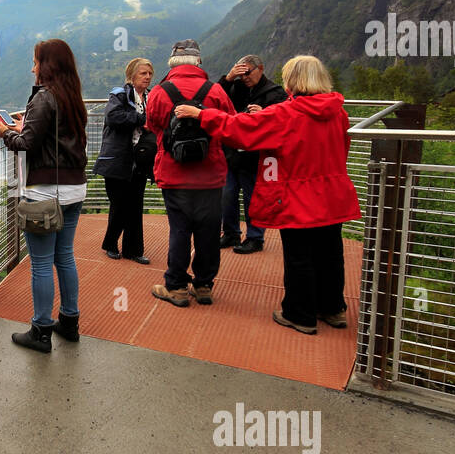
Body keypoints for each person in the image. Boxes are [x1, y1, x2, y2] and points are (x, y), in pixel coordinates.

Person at [179, 55, 361, 334]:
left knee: (299, 255)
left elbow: (239, 129)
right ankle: (332, 308)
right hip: (333, 193)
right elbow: (342, 149)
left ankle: (299, 314)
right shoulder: (338, 112)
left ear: (293, 81)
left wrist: (201, 114)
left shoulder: (286, 113)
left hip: (299, 196)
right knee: (330, 253)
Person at [0, 39, 88, 352]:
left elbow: (26, 145)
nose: (32, 68)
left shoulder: (43, 97)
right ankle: (70, 322)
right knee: (65, 256)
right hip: (75, 188)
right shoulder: (72, 97)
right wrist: (27, 125)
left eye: (35, 62)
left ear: (46, 65)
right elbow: (52, 136)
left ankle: (41, 330)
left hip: (45, 192)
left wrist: (6, 132)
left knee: (42, 263)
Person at [144, 39, 236, 308]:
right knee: (209, 232)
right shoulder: (215, 90)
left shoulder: (160, 92)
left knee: (180, 230)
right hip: (210, 175)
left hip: (174, 173)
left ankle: (176, 287)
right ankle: (204, 285)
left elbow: (152, 125)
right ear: (198, 61)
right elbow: (230, 124)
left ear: (172, 63)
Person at [217, 55, 287, 254]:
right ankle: (231, 233)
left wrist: (264, 114)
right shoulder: (235, 88)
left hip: (256, 155)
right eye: (242, 74)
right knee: (227, 195)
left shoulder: (275, 93)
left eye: (248, 73)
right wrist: (229, 78)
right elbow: (214, 98)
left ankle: (255, 237)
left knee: (253, 198)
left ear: (260, 69)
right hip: (232, 152)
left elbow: (284, 119)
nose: (245, 77)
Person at [94, 57, 154, 264]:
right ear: (132, 75)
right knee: (119, 205)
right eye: (143, 73)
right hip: (117, 160)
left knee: (135, 206)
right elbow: (113, 117)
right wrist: (142, 119)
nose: (147, 77)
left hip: (140, 160)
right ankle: (110, 244)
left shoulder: (151, 97)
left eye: (149, 73)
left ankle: (133, 250)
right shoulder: (119, 94)